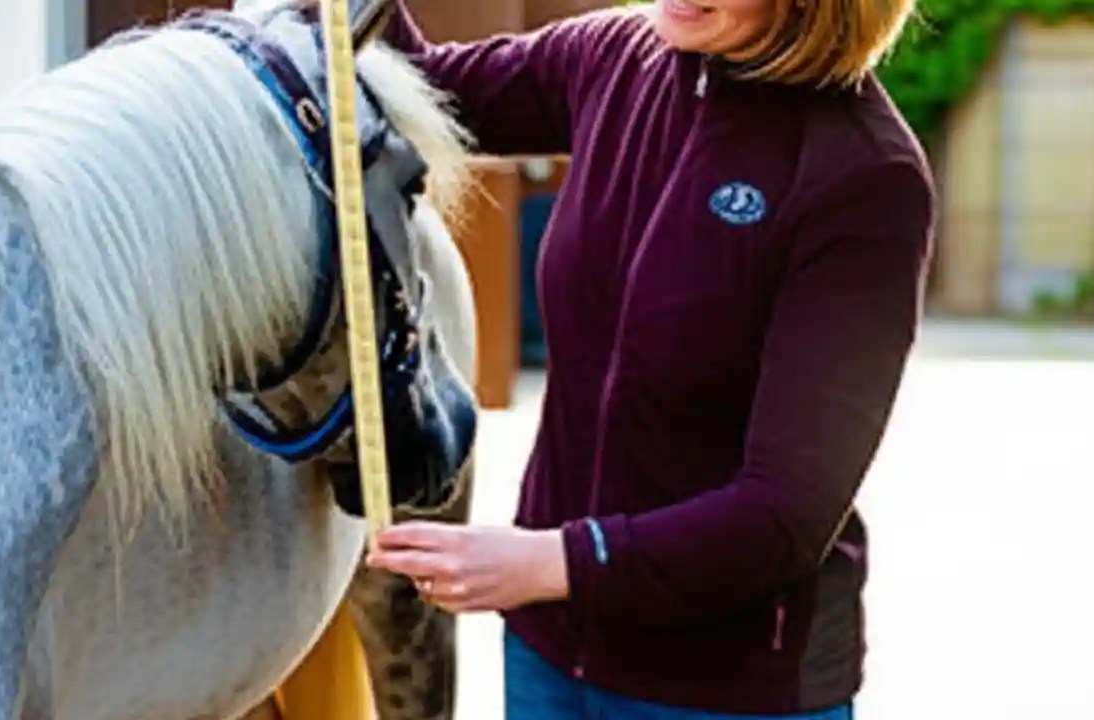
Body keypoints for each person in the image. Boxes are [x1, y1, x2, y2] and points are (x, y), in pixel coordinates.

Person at [365, 0, 934, 717]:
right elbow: (420, 86)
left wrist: (549, 562)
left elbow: (783, 515)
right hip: (546, 660)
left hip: (725, 690)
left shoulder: (865, 175)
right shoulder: (613, 55)